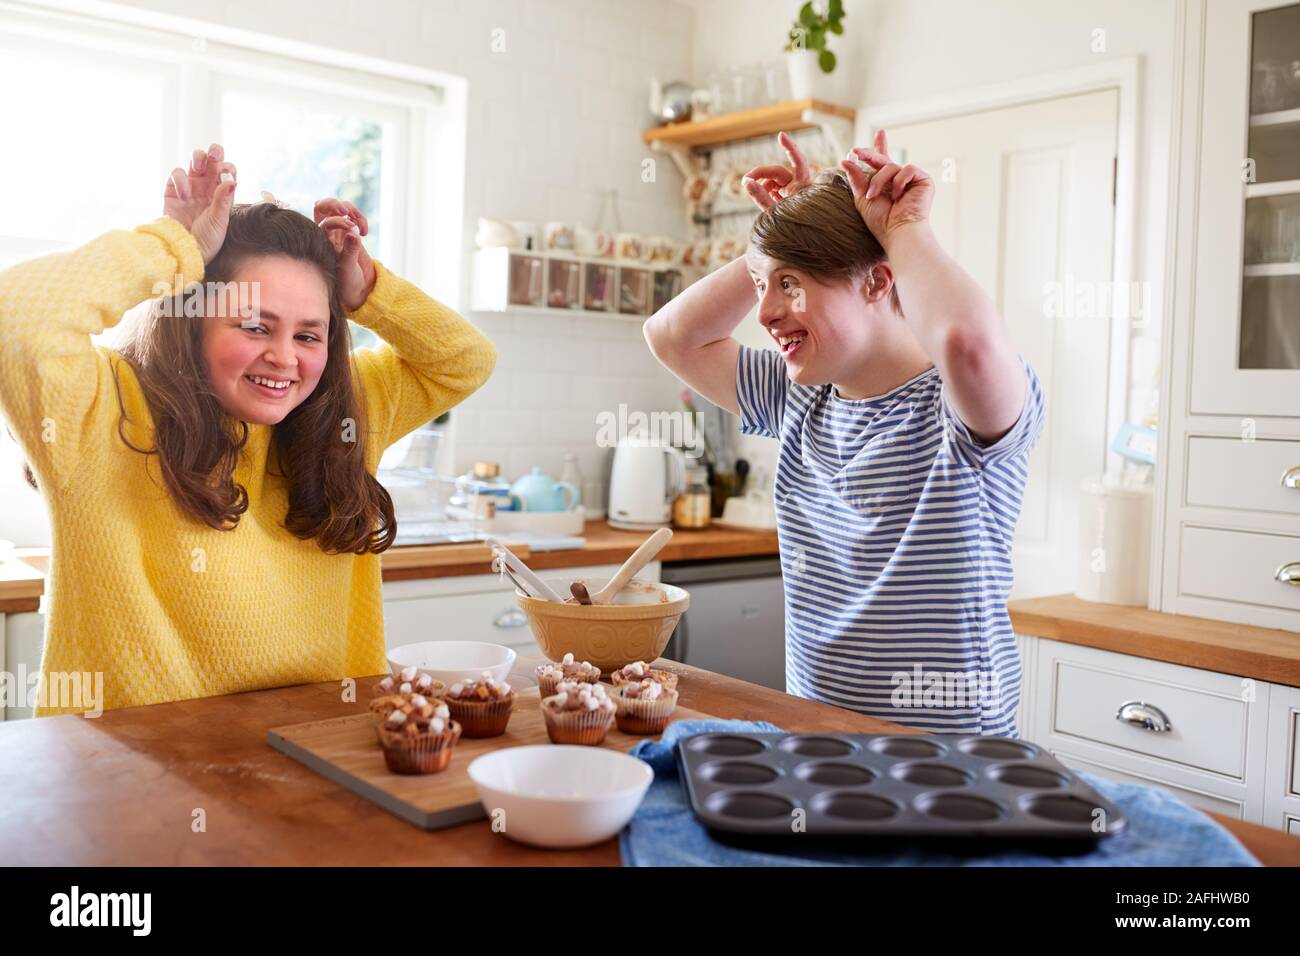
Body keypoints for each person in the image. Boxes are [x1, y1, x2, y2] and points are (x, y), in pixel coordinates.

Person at [0, 143, 496, 716]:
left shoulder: (344, 415)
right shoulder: (105, 409)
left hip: (315, 766)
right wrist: (173, 246)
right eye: (256, 326)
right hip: (127, 783)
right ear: (191, 319)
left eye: (309, 335)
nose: (285, 358)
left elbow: (465, 360)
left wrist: (370, 293)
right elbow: (15, 316)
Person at [643, 130, 1045, 735]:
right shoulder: (798, 398)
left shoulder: (955, 409)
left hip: (952, 756)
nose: (765, 313)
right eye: (761, 286)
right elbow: (673, 336)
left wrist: (903, 228)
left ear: (880, 282)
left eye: (791, 285)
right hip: (818, 740)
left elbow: (968, 341)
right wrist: (783, 232)